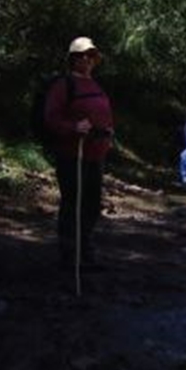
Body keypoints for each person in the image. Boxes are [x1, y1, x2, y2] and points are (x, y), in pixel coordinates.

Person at [44, 37, 114, 267]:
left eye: (91, 55)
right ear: (72, 58)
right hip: (72, 153)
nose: (87, 59)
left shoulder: (95, 84)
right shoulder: (63, 85)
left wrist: (108, 133)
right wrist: (73, 127)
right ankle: (69, 254)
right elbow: (51, 118)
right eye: (82, 55)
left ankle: (85, 250)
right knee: (74, 202)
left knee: (92, 204)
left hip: (95, 153)